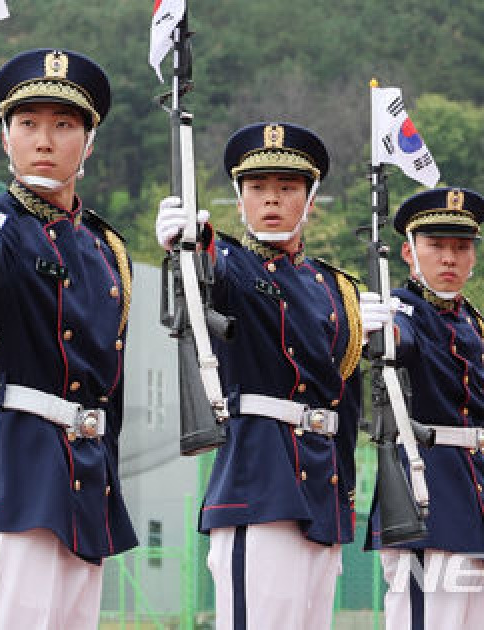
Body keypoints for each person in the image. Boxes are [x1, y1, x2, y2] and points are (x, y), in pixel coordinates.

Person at [0, 49, 137, 628]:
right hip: (16, 472)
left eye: (63, 125)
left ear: (88, 143)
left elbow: (111, 385)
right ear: (6, 138)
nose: (44, 140)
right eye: (28, 123)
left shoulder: (105, 251)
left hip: (86, 483)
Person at [155, 122, 362, 629]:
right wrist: (187, 243)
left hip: (322, 489)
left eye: (288, 188)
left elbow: (347, 405)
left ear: (310, 199)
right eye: (257, 188)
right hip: (260, 480)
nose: (272, 199)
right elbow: (207, 269)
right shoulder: (229, 261)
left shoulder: (336, 289)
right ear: (238, 198)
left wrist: (346, 494)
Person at [364, 187, 484, 629]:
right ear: (409, 252)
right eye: (436, 246)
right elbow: (396, 342)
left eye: (461, 247)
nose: (449, 259)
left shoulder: (472, 323)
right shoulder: (402, 311)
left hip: (474, 501)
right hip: (427, 496)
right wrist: (372, 331)